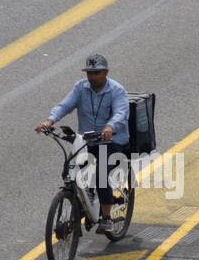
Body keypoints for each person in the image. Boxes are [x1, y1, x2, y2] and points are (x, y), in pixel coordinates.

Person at [35, 54, 130, 235]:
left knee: (101, 173)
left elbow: (121, 113)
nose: (92, 77)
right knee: (72, 169)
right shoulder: (81, 87)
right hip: (87, 140)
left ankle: (106, 217)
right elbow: (65, 105)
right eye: (89, 73)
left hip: (112, 141)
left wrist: (110, 127)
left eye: (96, 73)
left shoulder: (117, 90)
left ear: (106, 72)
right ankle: (82, 201)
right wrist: (50, 120)